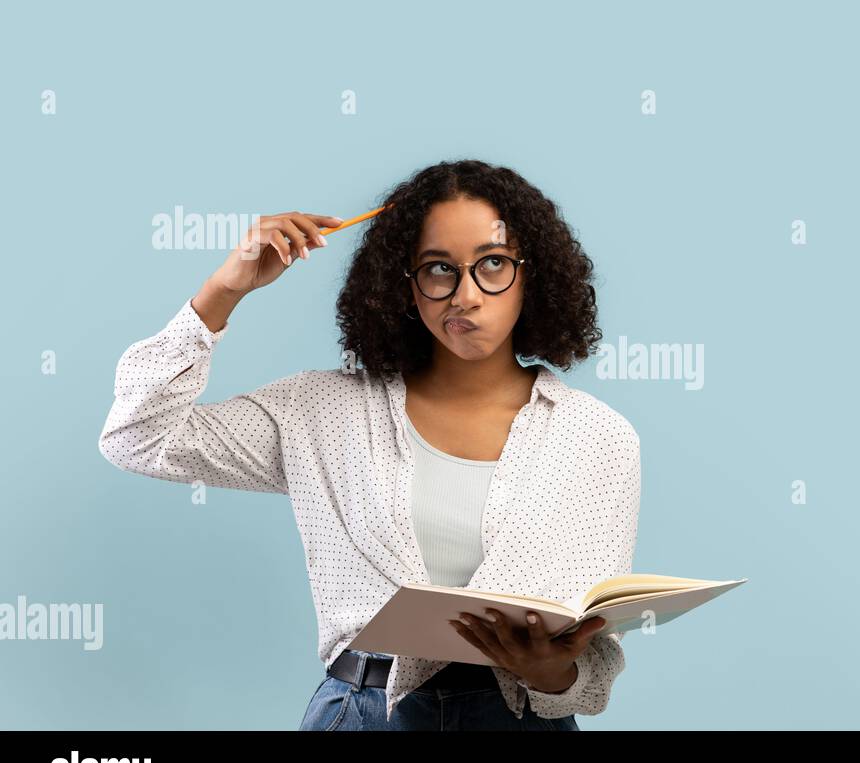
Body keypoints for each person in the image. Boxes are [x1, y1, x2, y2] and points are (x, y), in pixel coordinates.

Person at [98, 159, 642, 730]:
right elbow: (138, 436)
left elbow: (591, 663)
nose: (466, 295)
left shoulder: (598, 438)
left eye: (493, 264)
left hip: (521, 716)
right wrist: (223, 291)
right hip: (365, 713)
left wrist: (550, 674)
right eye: (438, 269)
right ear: (404, 285)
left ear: (533, 275)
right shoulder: (322, 412)